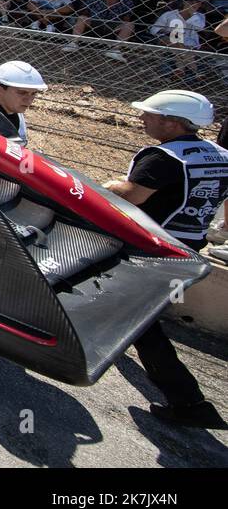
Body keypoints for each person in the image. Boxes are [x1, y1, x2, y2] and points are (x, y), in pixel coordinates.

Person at [103, 90, 227, 427]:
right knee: (136, 309)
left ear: (171, 122)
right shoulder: (220, 155)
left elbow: (133, 195)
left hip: (151, 247)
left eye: (151, 114)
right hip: (188, 248)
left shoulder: (164, 158)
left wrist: (110, 185)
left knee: (142, 320)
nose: (143, 118)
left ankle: (188, 401)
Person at [0, 60, 46, 143]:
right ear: (0, 89)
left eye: (33, 93)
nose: (29, 100)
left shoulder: (16, 113)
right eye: (22, 93)